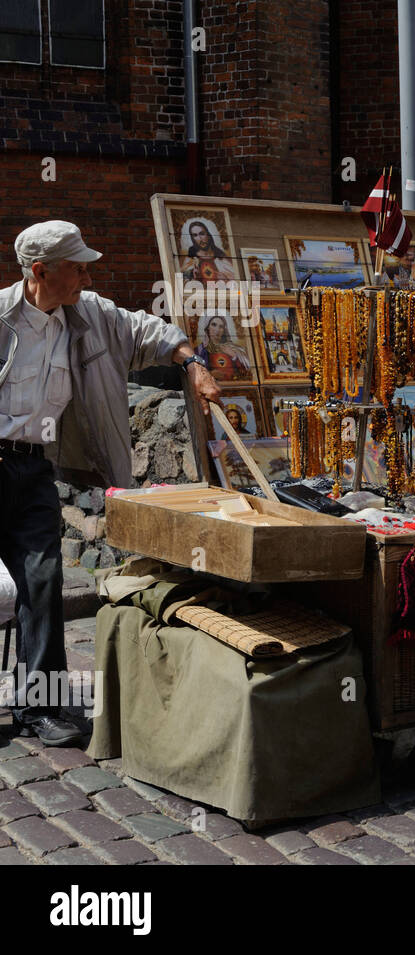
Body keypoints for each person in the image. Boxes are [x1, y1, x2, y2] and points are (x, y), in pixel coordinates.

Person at [0, 220, 221, 744]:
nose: (85, 275)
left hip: (31, 468)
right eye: (75, 267)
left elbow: (148, 330)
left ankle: (40, 710)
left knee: (43, 580)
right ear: (39, 271)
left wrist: (193, 363)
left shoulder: (89, 315)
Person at [196, 315, 252, 380]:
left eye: (221, 327)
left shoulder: (233, 348)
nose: (217, 330)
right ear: (207, 328)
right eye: (214, 325)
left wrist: (234, 356)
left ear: (224, 330)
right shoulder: (200, 350)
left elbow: (246, 372)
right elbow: (195, 374)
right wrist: (210, 374)